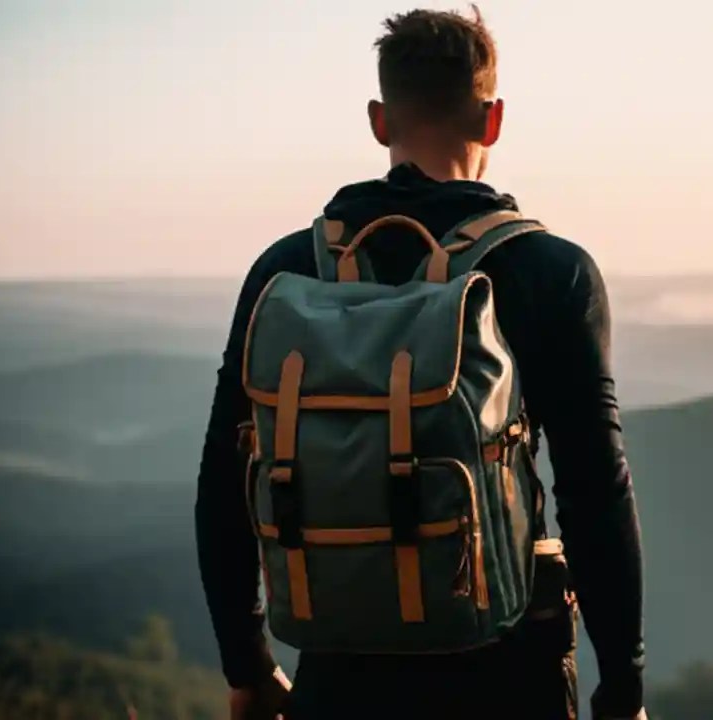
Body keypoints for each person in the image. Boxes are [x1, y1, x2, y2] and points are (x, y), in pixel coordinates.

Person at [194, 6, 646, 719]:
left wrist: (247, 665)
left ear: (380, 121)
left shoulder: (286, 273)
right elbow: (595, 491)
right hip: (506, 669)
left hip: (341, 668)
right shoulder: (548, 272)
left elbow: (225, 479)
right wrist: (622, 688)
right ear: (493, 121)